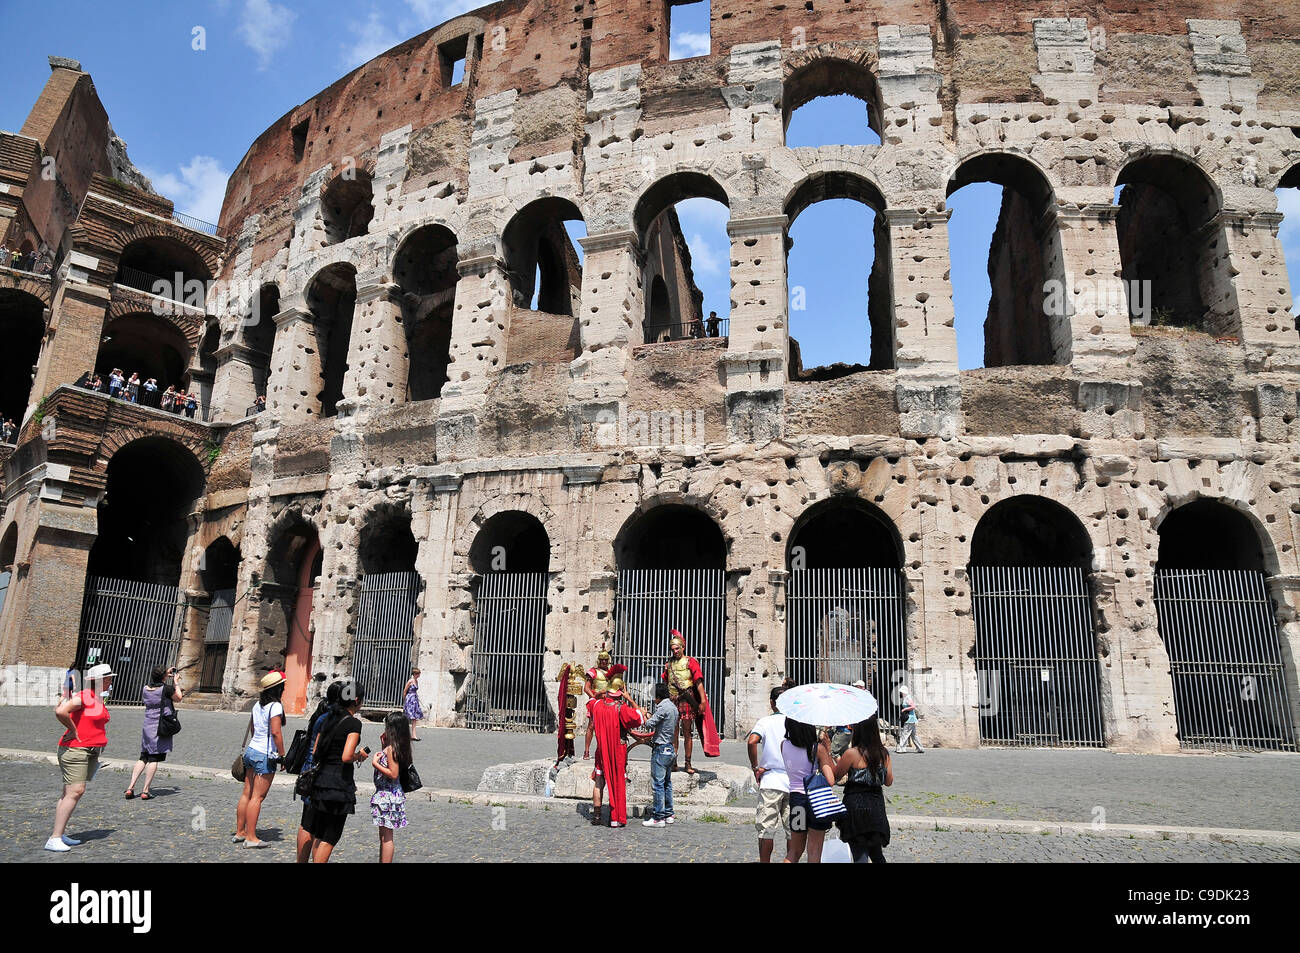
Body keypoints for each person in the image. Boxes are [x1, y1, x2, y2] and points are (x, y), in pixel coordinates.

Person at [47, 663, 115, 852]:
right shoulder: (85, 696)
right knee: (76, 791)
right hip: (76, 750)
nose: (111, 681)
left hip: (88, 750)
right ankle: (54, 838)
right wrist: (72, 729)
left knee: (68, 793)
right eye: (108, 679)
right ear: (99, 681)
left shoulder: (96, 697)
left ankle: (59, 833)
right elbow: (60, 711)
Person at [303, 678, 368, 862]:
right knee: (330, 837)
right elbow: (346, 756)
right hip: (338, 785)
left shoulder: (328, 718)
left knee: (318, 832)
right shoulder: (353, 724)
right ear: (356, 701)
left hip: (320, 782)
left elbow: (316, 751)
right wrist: (359, 755)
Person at [583, 676, 645, 828]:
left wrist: (600, 693)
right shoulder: (621, 708)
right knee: (617, 782)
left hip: (601, 750)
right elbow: (638, 717)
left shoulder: (596, 705)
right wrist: (630, 699)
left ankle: (597, 816)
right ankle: (615, 818)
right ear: (620, 693)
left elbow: (591, 699)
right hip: (617, 750)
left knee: (599, 782)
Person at [235, 671, 286, 848]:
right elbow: (276, 732)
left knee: (246, 793)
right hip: (265, 754)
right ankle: (251, 838)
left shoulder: (257, 705)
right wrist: (282, 755)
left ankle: (240, 832)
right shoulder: (276, 706)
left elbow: (253, 730)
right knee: (258, 797)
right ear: (279, 688)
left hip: (251, 750)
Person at [834, 715, 893, 863]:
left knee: (860, 854)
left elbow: (836, 775)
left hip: (855, 805)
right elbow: (889, 781)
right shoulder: (883, 754)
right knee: (876, 853)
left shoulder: (851, 753)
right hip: (875, 805)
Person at [295, 680, 343, 863]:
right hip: (318, 772)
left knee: (307, 821)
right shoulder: (329, 718)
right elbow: (319, 750)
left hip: (309, 769)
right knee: (315, 824)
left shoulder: (319, 713)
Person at [662, 630, 718, 773]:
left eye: (677, 648)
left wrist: (703, 700)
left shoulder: (690, 661)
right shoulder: (668, 664)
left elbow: (698, 681)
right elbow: (666, 681)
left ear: (682, 647)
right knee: (673, 732)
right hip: (672, 700)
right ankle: (673, 762)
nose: (675, 651)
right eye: (672, 649)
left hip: (686, 699)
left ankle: (687, 763)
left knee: (687, 731)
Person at [782, 717, 835, 863]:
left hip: (796, 801)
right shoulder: (817, 749)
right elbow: (831, 780)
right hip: (816, 802)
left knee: (794, 851)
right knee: (814, 852)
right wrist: (827, 751)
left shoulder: (784, 745)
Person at [125, 664, 182, 799]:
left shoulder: (146, 688)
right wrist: (175, 682)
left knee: (143, 756)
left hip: (147, 724)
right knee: (154, 758)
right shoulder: (167, 689)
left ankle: (130, 787)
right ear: (164, 677)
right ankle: (145, 790)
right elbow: (178, 698)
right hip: (160, 726)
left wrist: (164, 674)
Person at [747, 684, 790, 863]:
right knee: (794, 829)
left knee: (766, 830)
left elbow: (752, 741)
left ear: (772, 703)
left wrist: (756, 766)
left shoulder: (765, 721)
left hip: (771, 782)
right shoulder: (796, 722)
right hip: (795, 783)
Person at [632, 682, 679, 827]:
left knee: (658, 784)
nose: (653, 700)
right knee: (667, 783)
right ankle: (669, 813)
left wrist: (644, 714)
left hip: (660, 749)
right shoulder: (673, 707)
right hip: (670, 748)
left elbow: (649, 724)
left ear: (658, 696)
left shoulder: (662, 707)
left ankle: (658, 817)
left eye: (654, 697)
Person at [371, 711, 412, 863]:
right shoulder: (397, 746)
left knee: (386, 838)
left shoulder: (391, 749)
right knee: (384, 837)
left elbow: (393, 773)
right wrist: (383, 745)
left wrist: (375, 764)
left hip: (388, 796)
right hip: (389, 795)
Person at [896, 684, 924, 753]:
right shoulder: (906, 698)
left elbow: (913, 706)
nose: (900, 693)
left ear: (903, 692)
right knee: (914, 735)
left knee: (905, 733)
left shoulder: (908, 698)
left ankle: (901, 748)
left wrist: (904, 709)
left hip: (909, 718)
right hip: (911, 718)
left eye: (901, 692)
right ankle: (920, 748)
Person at [402, 669, 424, 741]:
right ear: (414, 674)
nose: (419, 675)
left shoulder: (416, 681)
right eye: (418, 674)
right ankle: (403, 734)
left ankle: (414, 735)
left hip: (414, 700)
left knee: (414, 718)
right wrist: (405, 701)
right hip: (409, 700)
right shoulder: (410, 681)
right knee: (407, 717)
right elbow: (405, 691)